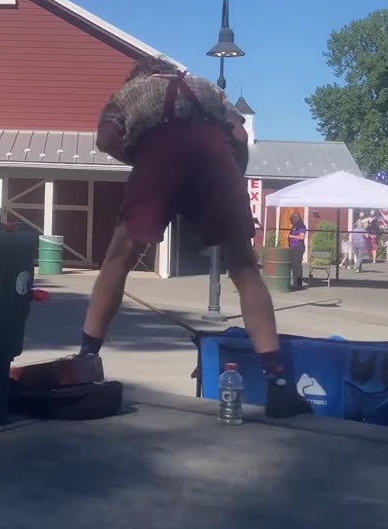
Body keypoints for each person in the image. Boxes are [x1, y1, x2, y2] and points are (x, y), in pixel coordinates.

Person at [83, 58, 310, 418]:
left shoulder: (130, 92)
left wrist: (139, 158)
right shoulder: (208, 89)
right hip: (214, 159)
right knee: (244, 267)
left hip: (158, 157)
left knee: (119, 258)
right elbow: (239, 136)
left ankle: (86, 359)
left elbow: (105, 138)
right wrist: (234, 175)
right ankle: (278, 386)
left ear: (140, 74)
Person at [287, 212, 306, 289]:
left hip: (298, 247)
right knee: (293, 266)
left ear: (299, 218)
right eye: (293, 217)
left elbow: (301, 237)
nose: (294, 218)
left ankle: (299, 284)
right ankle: (295, 283)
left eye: (296, 217)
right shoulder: (294, 226)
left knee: (297, 266)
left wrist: (291, 236)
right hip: (292, 247)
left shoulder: (301, 226)